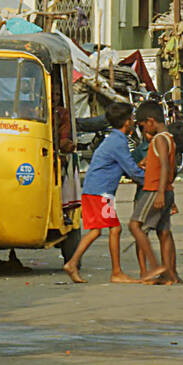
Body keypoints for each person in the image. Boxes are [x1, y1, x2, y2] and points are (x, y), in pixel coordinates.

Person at [62, 102, 143, 284]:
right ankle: (113, 272)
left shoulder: (114, 139)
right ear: (126, 122)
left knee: (98, 230)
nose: (133, 121)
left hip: (94, 190)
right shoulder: (118, 141)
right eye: (131, 118)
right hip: (100, 192)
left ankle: (74, 263)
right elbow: (132, 170)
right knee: (113, 229)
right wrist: (153, 182)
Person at [128, 100, 179, 284]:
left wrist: (160, 192)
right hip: (165, 189)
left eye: (143, 126)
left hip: (154, 190)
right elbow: (169, 167)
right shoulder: (169, 138)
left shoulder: (159, 139)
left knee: (135, 226)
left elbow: (165, 166)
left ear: (150, 121)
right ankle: (170, 275)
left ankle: (154, 266)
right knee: (164, 231)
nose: (143, 131)